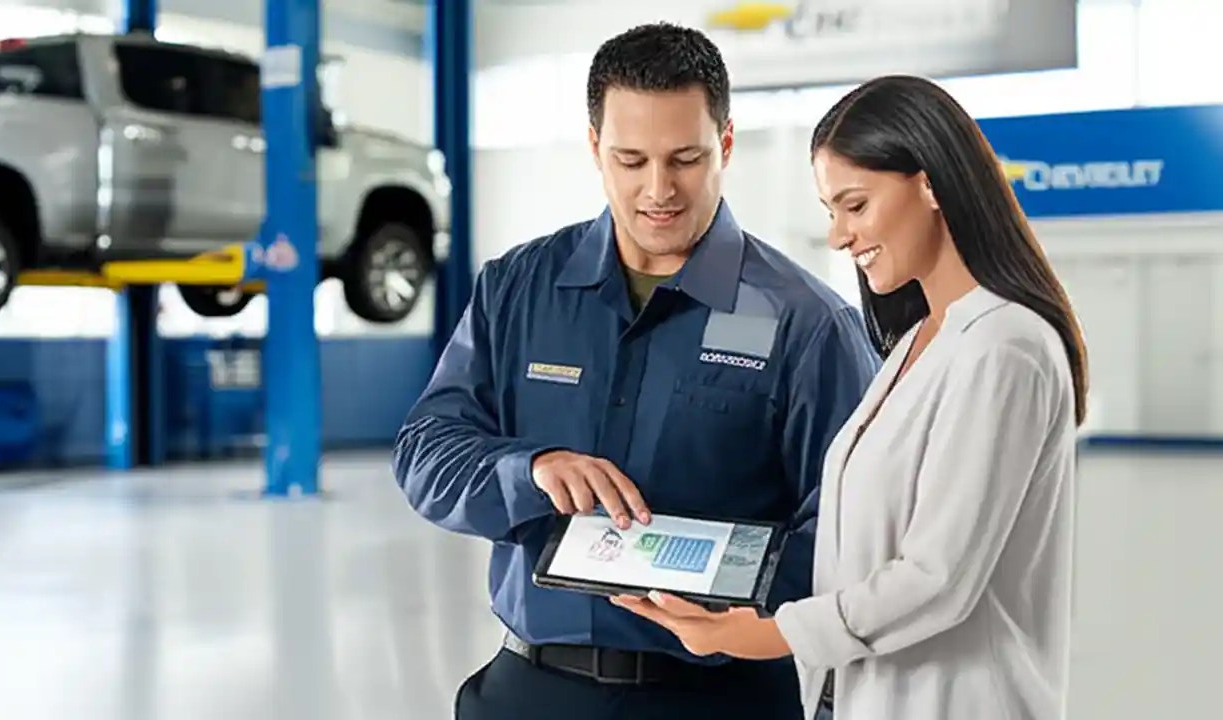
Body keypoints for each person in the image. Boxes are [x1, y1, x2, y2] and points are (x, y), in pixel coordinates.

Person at [391, 22, 879, 720]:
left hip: (719, 697)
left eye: (685, 158)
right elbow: (425, 453)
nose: (659, 190)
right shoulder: (517, 289)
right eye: (630, 159)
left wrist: (739, 585)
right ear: (594, 148)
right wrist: (530, 472)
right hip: (532, 687)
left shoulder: (808, 323)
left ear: (726, 145)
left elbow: (852, 534)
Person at [614, 74, 1088, 720]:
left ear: (930, 184)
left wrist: (763, 633)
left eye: (855, 205)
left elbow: (936, 579)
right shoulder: (919, 339)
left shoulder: (1003, 345)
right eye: (830, 211)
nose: (838, 236)